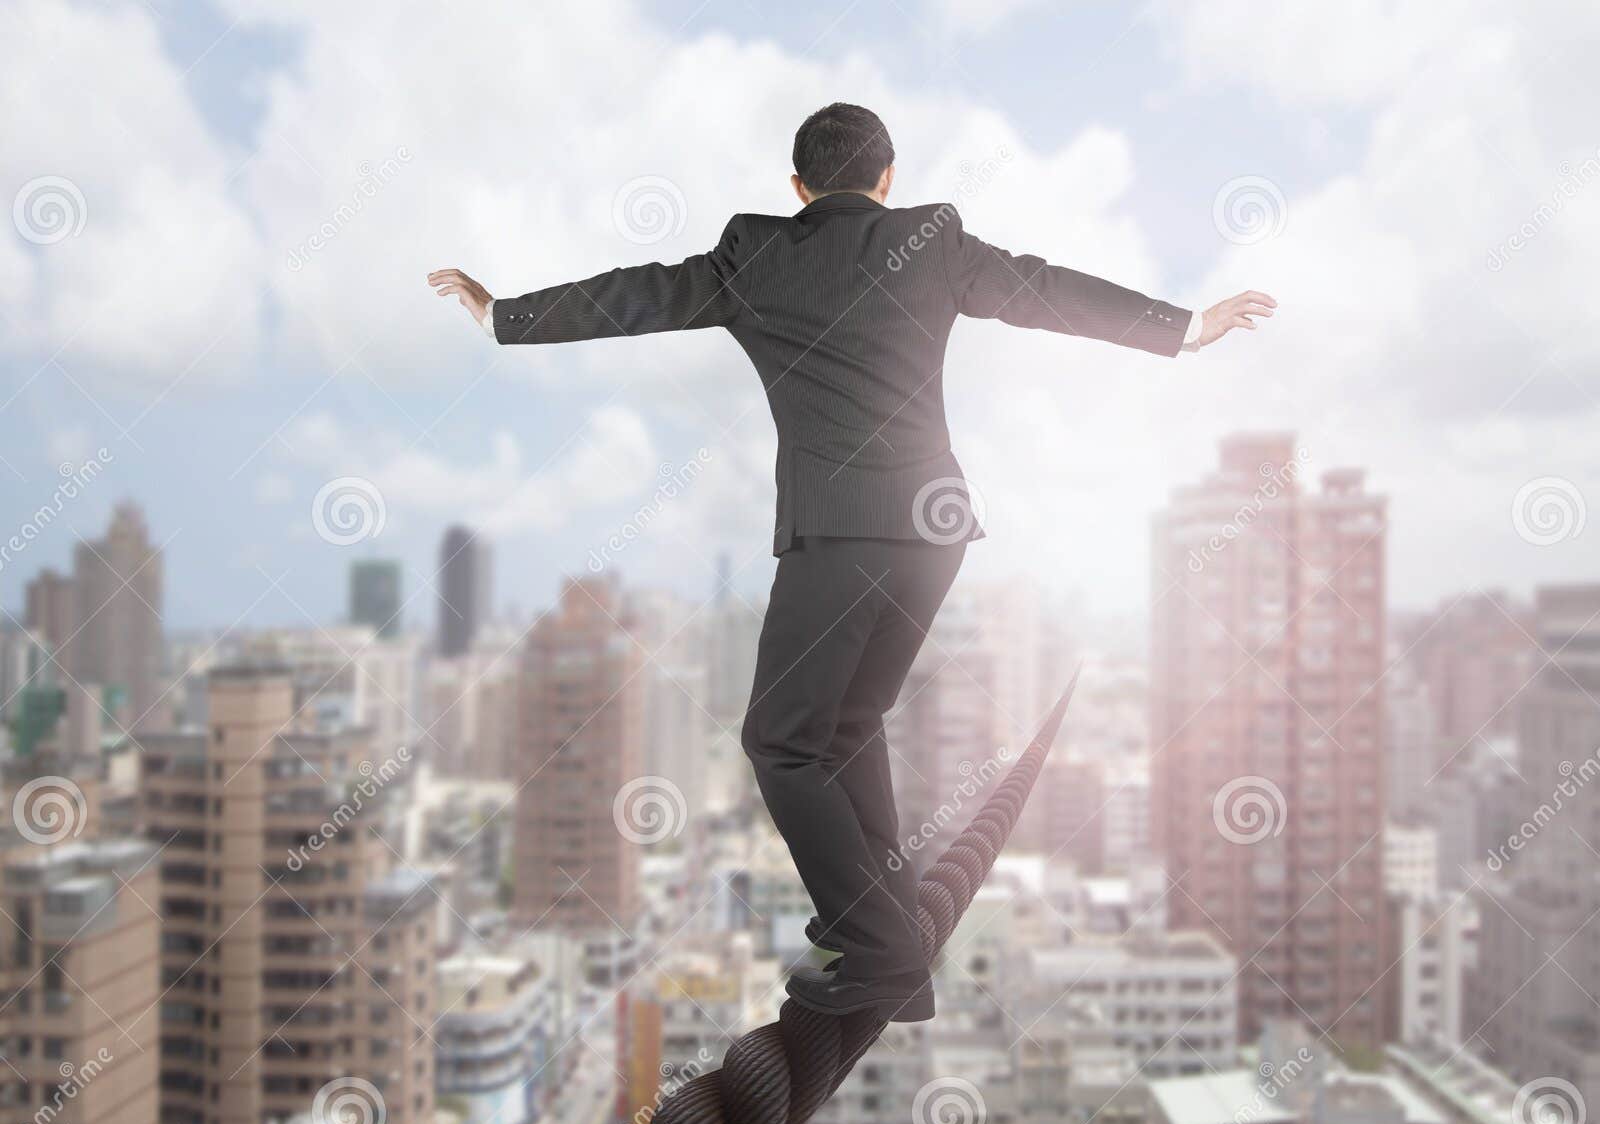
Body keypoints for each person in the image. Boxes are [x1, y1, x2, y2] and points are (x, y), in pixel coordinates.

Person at [430, 102, 1274, 1023]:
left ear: (797, 189)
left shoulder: (757, 254)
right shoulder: (935, 240)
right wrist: (1183, 325)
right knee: (847, 726)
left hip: (840, 535)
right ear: (889, 178)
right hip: (937, 531)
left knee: (778, 741)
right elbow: (1042, 289)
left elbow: (637, 296)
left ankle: (878, 957)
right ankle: (891, 928)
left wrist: (501, 316)